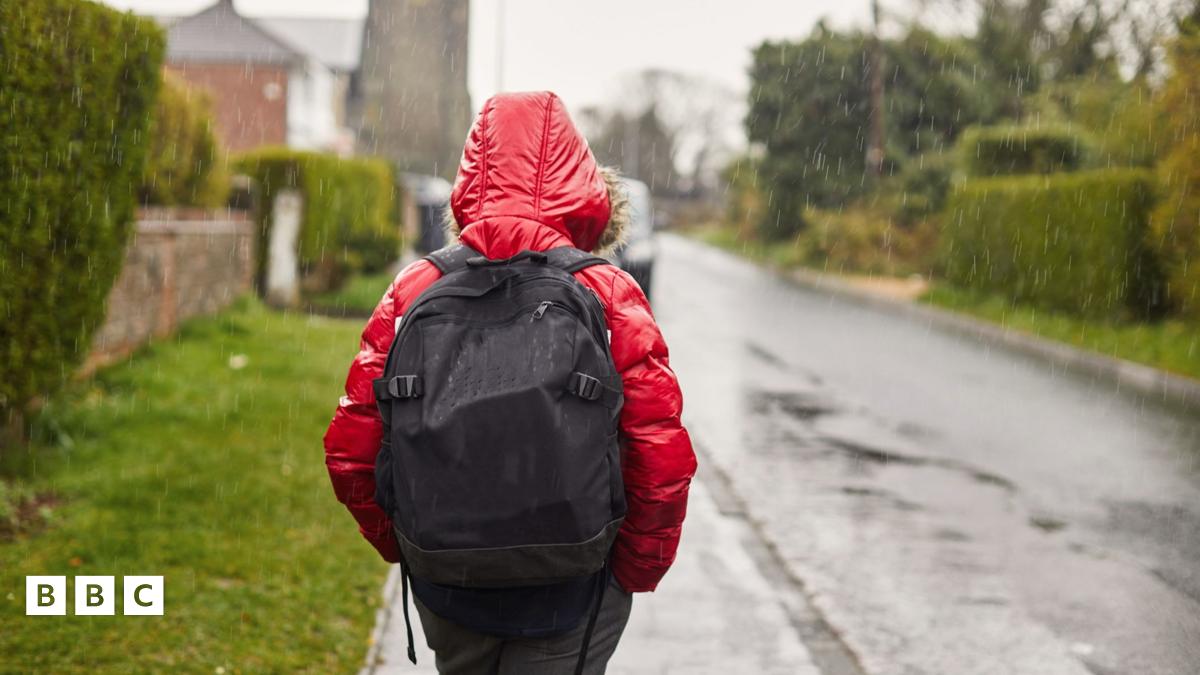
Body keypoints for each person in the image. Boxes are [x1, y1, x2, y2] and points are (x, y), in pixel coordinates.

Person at [323, 91, 696, 674]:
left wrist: (411, 547)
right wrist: (634, 568)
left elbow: (350, 451)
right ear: (584, 183)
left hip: (449, 581)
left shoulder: (416, 287)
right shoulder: (608, 291)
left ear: (473, 177)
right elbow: (658, 451)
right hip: (575, 581)